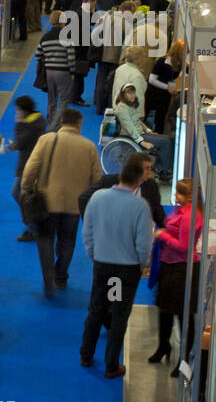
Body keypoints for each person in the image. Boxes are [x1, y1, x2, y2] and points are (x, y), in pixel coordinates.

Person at [80, 157, 153, 379]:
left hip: (103, 266)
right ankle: (111, 364)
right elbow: (143, 243)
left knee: (96, 310)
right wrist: (142, 265)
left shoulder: (98, 197)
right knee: (119, 315)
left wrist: (95, 256)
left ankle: (86, 355)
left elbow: (88, 233)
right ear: (138, 180)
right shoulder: (139, 206)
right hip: (125, 271)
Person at [20, 108, 101, 296]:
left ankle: (48, 279)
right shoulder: (88, 146)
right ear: (79, 124)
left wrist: (26, 188)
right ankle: (61, 276)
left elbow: (31, 168)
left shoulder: (46, 140)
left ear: (62, 122)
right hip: (74, 205)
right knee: (67, 241)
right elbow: (97, 179)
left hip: (46, 201)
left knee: (45, 239)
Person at [149, 180, 203, 364]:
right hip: (169, 266)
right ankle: (163, 346)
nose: (174, 196)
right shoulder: (179, 211)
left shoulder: (191, 216)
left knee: (183, 315)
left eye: (179, 193)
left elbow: (185, 247)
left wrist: (162, 235)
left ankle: (185, 358)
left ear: (190, 197)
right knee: (164, 310)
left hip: (183, 270)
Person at [79, 151, 167, 229]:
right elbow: (84, 199)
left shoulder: (151, 185)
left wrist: (169, 230)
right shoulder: (108, 182)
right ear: (135, 169)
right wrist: (91, 226)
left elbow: (157, 211)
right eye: (146, 168)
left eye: (150, 168)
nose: (149, 172)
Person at [7, 95, 47, 242]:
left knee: (19, 194)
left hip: (27, 165)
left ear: (22, 109)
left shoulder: (26, 125)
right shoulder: (40, 119)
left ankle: (33, 226)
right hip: (38, 163)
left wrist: (19, 125)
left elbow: (21, 143)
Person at [115, 84, 172, 180]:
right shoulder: (122, 108)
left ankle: (162, 168)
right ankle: (164, 171)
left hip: (140, 133)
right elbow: (129, 128)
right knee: (165, 142)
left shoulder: (130, 105)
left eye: (133, 92)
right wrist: (142, 142)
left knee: (167, 138)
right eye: (129, 93)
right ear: (123, 94)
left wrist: (149, 131)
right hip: (133, 137)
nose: (132, 95)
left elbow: (138, 121)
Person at [36, 11, 73, 130]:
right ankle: (55, 126)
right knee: (64, 99)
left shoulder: (45, 37)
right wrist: (72, 71)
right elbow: (71, 56)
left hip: (49, 72)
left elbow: (38, 55)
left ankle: (51, 121)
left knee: (52, 99)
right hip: (63, 71)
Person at [110, 46, 148, 122]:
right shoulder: (136, 75)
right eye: (143, 57)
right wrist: (140, 115)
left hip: (117, 107)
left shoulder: (120, 69)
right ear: (137, 59)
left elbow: (115, 89)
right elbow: (139, 97)